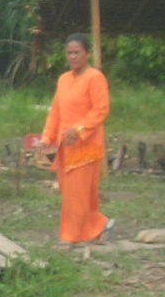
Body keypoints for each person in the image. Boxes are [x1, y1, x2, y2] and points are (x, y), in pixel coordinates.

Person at [40, 33, 112, 247]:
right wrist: (47, 137)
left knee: (76, 194)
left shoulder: (95, 77)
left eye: (77, 52)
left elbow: (100, 110)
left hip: (87, 145)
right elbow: (56, 111)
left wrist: (80, 129)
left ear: (86, 54)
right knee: (73, 192)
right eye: (69, 53)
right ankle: (99, 224)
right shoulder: (63, 79)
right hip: (66, 145)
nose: (73, 57)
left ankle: (70, 236)